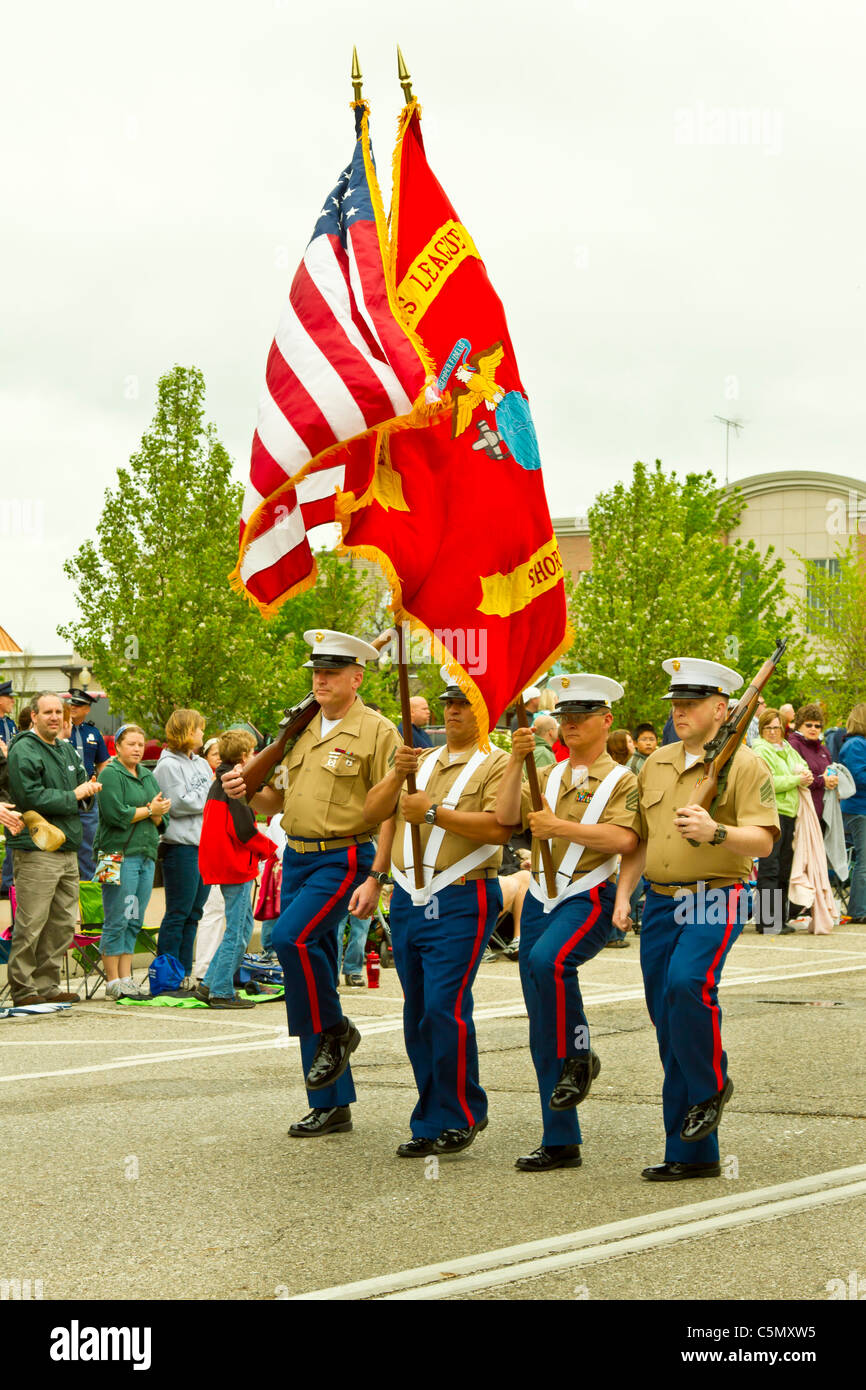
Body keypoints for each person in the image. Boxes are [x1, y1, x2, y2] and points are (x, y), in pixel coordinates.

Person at [221, 629, 399, 1137]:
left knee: (289, 939)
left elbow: (390, 811)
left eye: (331, 672)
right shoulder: (299, 731)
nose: (320, 679)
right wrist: (245, 792)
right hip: (295, 857)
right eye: (316, 672)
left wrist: (377, 874)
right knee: (307, 970)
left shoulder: (378, 732)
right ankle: (330, 1102)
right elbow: (278, 801)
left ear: (357, 678)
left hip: (344, 857)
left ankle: (338, 1032)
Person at [613, 657, 778, 1183]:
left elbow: (765, 839)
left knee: (688, 986)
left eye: (690, 704)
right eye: (676, 704)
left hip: (715, 895)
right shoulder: (656, 762)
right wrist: (624, 895)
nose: (679, 712)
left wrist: (716, 832)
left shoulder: (746, 764)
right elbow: (639, 839)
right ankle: (692, 1151)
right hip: (659, 901)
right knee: (668, 1019)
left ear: (721, 708)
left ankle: (711, 1089)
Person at [495, 674, 641, 1172]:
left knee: (547, 962)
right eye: (567, 715)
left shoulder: (623, 780)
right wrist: (516, 761)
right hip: (540, 895)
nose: (572, 723)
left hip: (588, 894)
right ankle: (559, 1138)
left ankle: (580, 1056)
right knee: (540, 1018)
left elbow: (625, 841)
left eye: (583, 715)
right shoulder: (548, 773)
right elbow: (508, 817)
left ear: (607, 721)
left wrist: (560, 827)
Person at [365, 667, 511, 1158]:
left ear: (484, 711)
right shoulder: (419, 759)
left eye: (465, 703)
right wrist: (395, 773)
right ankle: (428, 1118)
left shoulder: (498, 764)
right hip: (409, 897)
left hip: (462, 896)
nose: (452, 711)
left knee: (443, 1009)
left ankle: (463, 1112)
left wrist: (433, 813)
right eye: (449, 702)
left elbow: (499, 829)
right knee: (417, 1015)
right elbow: (377, 813)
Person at [6, 692, 102, 1004]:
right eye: (47, 712)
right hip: (37, 848)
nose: (55, 717)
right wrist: (74, 795)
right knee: (32, 922)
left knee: (61, 923)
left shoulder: (65, 749)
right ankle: (23, 988)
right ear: (33, 716)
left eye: (59, 712)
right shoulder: (24, 749)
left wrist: (87, 792)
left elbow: (81, 787)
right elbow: (30, 796)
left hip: (68, 845)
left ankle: (47, 985)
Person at [196, 729, 277, 1008]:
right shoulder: (235, 782)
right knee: (239, 931)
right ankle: (221, 990)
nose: (254, 756)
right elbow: (243, 830)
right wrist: (270, 850)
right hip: (235, 864)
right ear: (244, 756)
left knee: (239, 927)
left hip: (224, 862)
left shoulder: (220, 780)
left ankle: (210, 983)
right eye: (253, 752)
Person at [95, 724, 170, 999]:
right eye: (131, 744)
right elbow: (116, 814)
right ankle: (112, 980)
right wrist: (149, 810)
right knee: (116, 916)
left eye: (141, 744)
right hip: (112, 855)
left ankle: (126, 976)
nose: (137, 749)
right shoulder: (110, 775)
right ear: (118, 747)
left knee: (133, 918)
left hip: (145, 853)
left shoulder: (147, 775)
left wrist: (153, 812)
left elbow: (163, 815)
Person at [154, 709, 212, 989]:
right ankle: (168, 974)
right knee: (178, 912)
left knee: (194, 913)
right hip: (180, 848)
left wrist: (202, 797)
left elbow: (201, 798)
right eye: (199, 729)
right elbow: (181, 803)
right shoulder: (167, 765)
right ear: (187, 731)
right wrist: (206, 796)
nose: (203, 733)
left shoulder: (201, 763)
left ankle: (185, 973)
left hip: (202, 846)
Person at [750, 708, 811, 934]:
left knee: (785, 868)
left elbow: (803, 766)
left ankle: (780, 919)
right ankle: (767, 921)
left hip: (790, 813)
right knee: (770, 867)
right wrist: (797, 779)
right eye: (769, 728)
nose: (774, 732)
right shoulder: (760, 750)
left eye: (777, 727)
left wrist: (804, 775)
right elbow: (768, 782)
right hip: (770, 814)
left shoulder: (788, 748)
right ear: (762, 729)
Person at [64, 689, 110, 881]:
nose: (73, 707)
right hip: (66, 791)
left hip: (89, 794)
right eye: (71, 704)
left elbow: (103, 764)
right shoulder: (61, 731)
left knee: (92, 839)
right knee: (67, 840)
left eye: (79, 705)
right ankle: (84, 881)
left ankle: (96, 883)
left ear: (88, 710)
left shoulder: (93, 732)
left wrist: (102, 785)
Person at [786, 704, 838, 823]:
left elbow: (829, 772)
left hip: (824, 809)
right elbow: (798, 778)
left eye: (817, 726)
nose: (813, 728)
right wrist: (823, 781)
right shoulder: (793, 745)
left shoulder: (823, 748)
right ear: (799, 726)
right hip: (803, 810)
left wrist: (834, 779)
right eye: (809, 725)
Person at [838, 703, 866, 924]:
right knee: (864, 860)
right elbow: (858, 776)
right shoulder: (855, 744)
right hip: (858, 809)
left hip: (861, 808)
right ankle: (858, 910)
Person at [0, 679, 19, 898]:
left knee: (13, 834)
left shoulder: (11, 724)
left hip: (10, 787)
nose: (12, 701)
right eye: (9, 697)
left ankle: (8, 884)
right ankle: (6, 883)